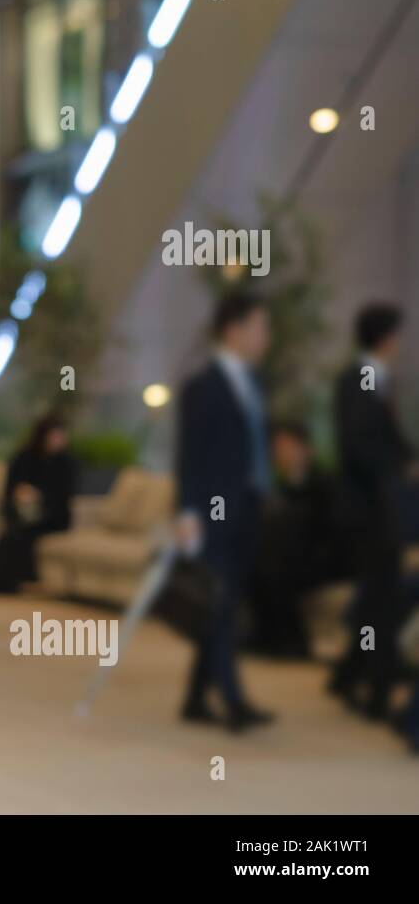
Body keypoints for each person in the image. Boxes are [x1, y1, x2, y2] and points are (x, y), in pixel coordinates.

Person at [175, 292, 276, 732]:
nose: (266, 338)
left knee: (222, 601)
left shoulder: (255, 383)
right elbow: (190, 456)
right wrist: (186, 513)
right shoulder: (203, 385)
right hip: (212, 514)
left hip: (247, 509)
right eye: (260, 327)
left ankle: (195, 697)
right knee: (219, 606)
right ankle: (233, 701)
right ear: (233, 329)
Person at [328, 304, 414, 722]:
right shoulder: (361, 378)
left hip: (380, 510)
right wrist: (401, 467)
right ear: (385, 337)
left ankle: (349, 675)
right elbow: (360, 445)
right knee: (380, 602)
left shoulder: (377, 379)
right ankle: (376, 689)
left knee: (374, 599)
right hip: (370, 512)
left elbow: (383, 439)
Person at [247, 421, 341, 660]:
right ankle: (268, 638)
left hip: (327, 558)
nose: (281, 453)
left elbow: (328, 531)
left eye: (287, 447)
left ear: (305, 448)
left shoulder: (324, 482)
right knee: (259, 569)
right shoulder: (281, 485)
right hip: (292, 557)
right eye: (278, 448)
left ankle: (295, 643)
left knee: (279, 573)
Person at [0, 412, 76, 595]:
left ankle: (7, 581)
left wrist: (39, 496)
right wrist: (21, 493)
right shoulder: (25, 458)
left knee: (17, 535)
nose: (58, 440)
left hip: (51, 517)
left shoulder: (65, 463)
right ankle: (1, 582)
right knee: (10, 535)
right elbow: (10, 487)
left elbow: (62, 496)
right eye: (54, 435)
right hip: (22, 513)